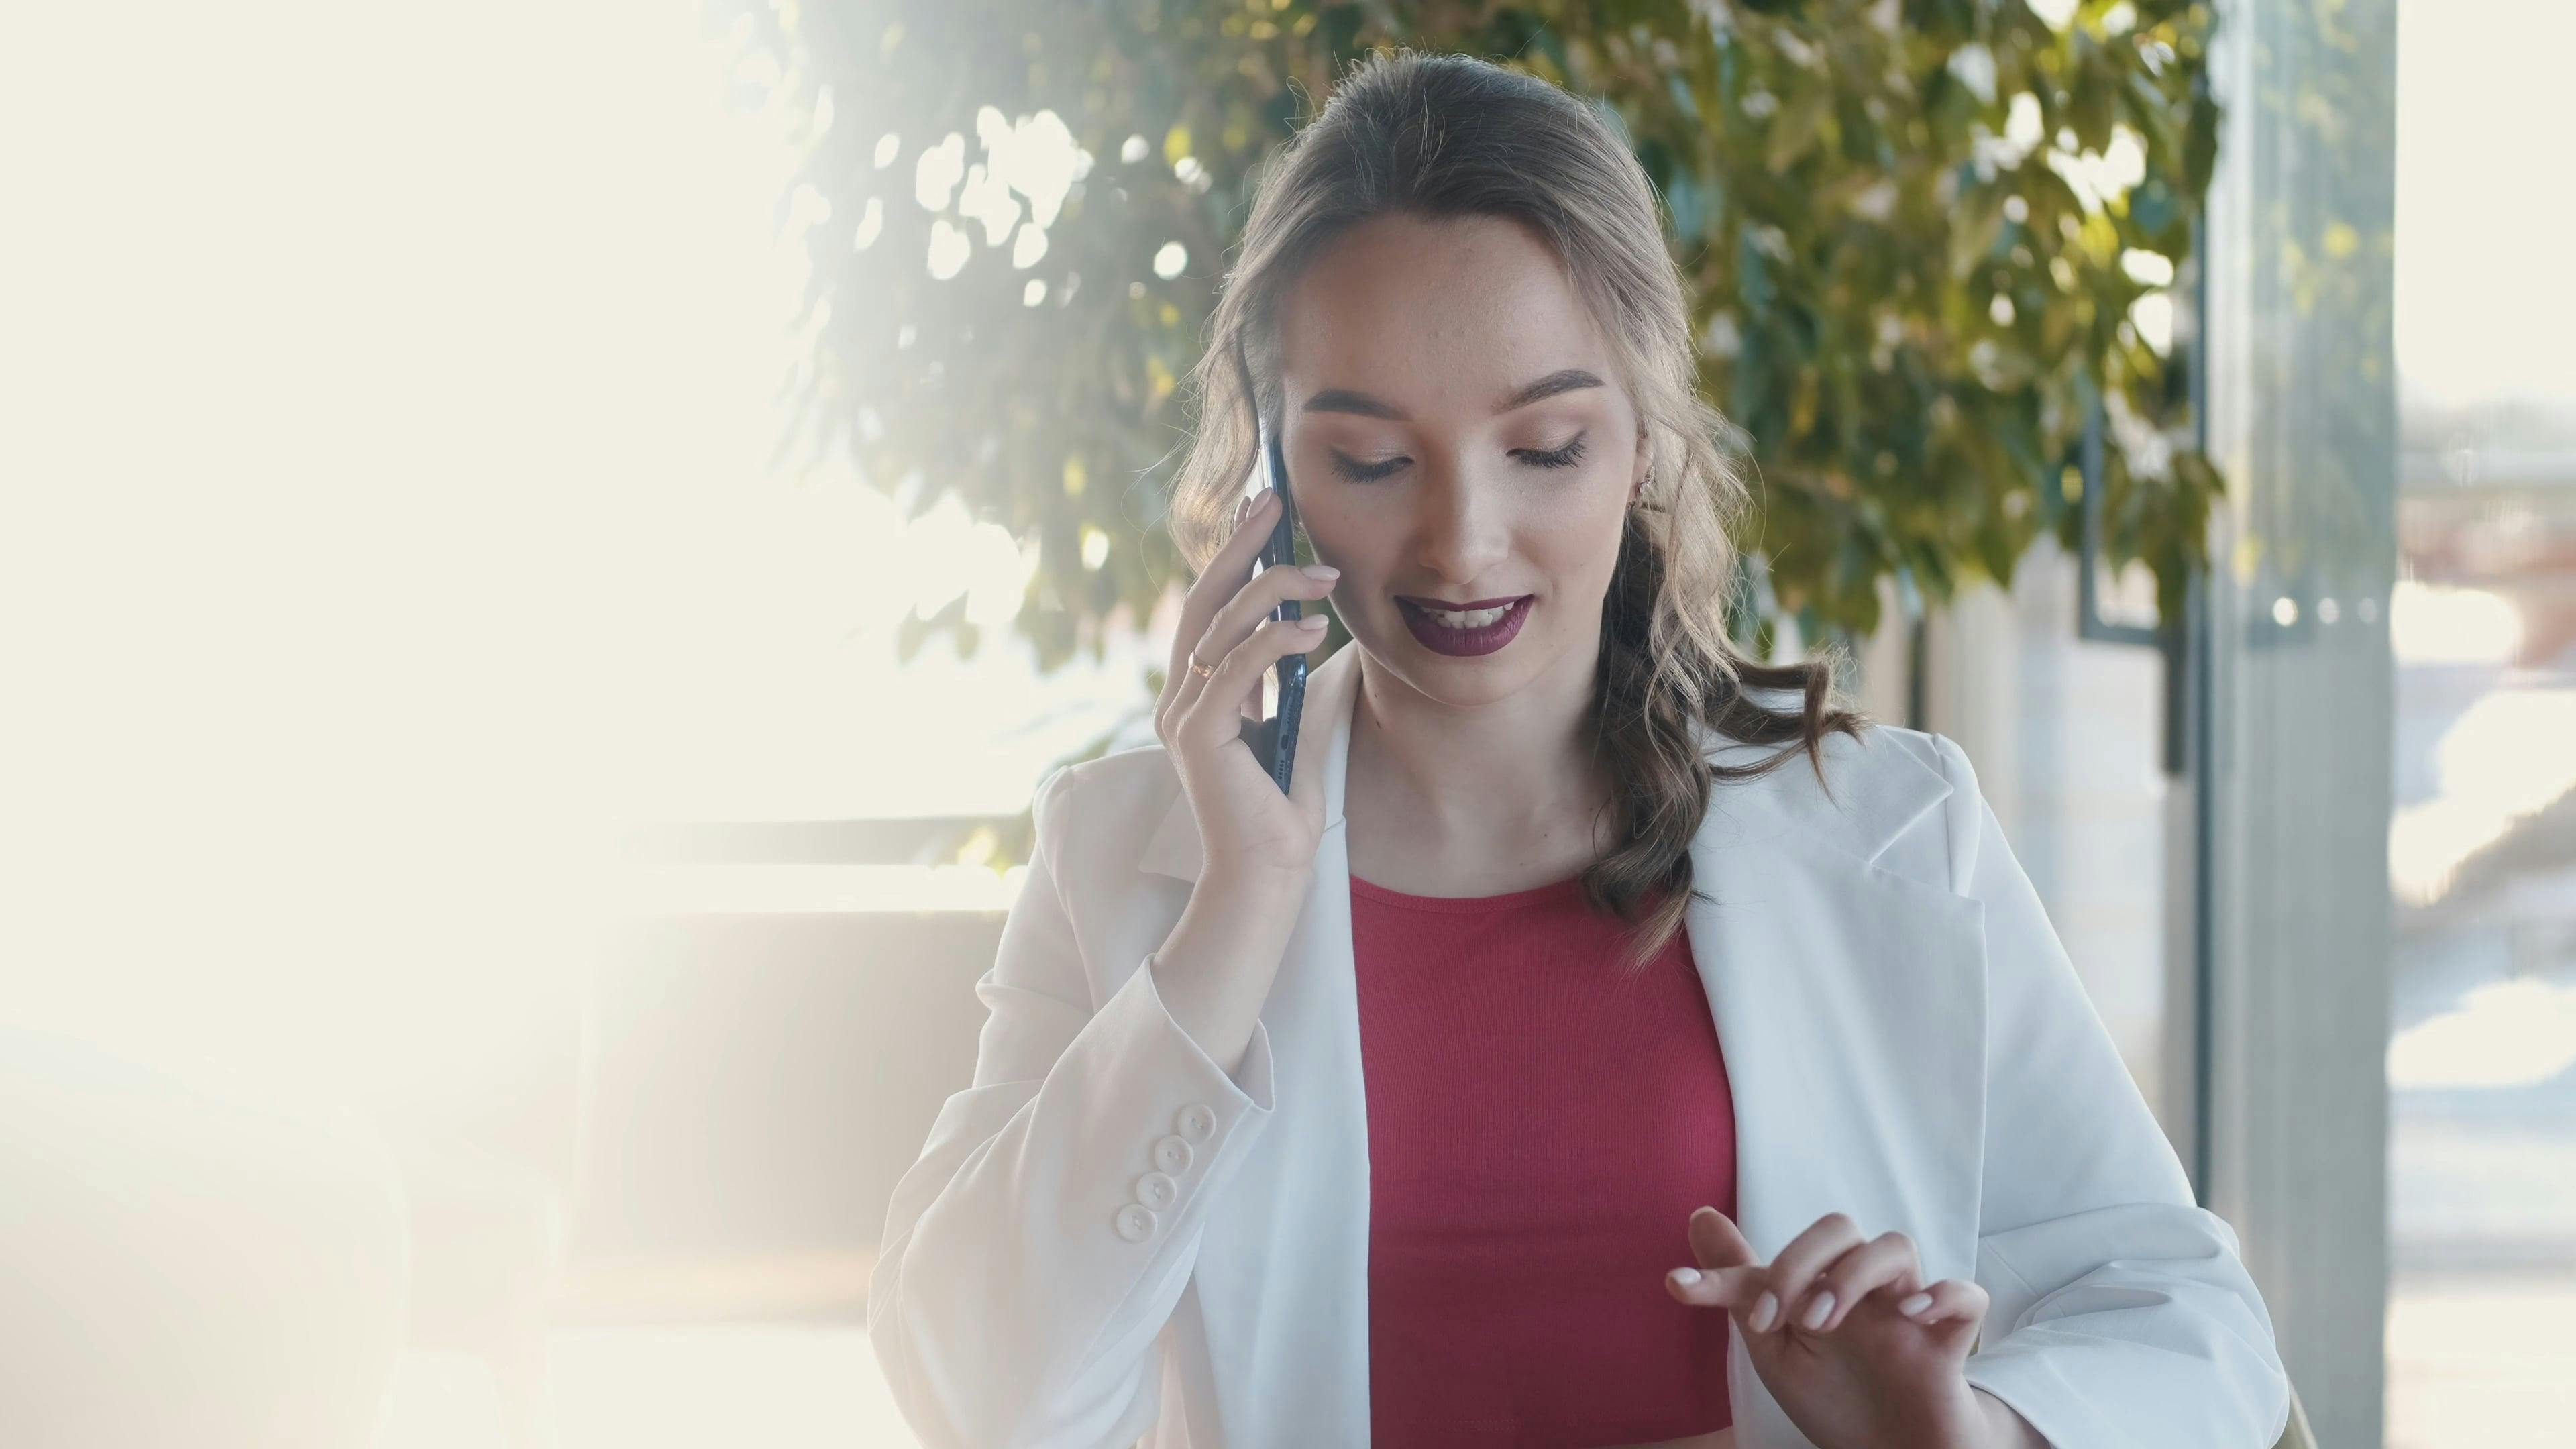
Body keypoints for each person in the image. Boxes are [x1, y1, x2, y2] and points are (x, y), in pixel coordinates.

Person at [867, 48, 2288, 1449]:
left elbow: (2187, 1323)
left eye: (1544, 446)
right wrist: (1237, 908)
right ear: (1270, 473)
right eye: (1368, 462)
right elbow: (984, 1399)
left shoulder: (1889, 828)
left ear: (1644, 440)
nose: (1461, 544)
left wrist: (1966, 1433)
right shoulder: (1124, 857)